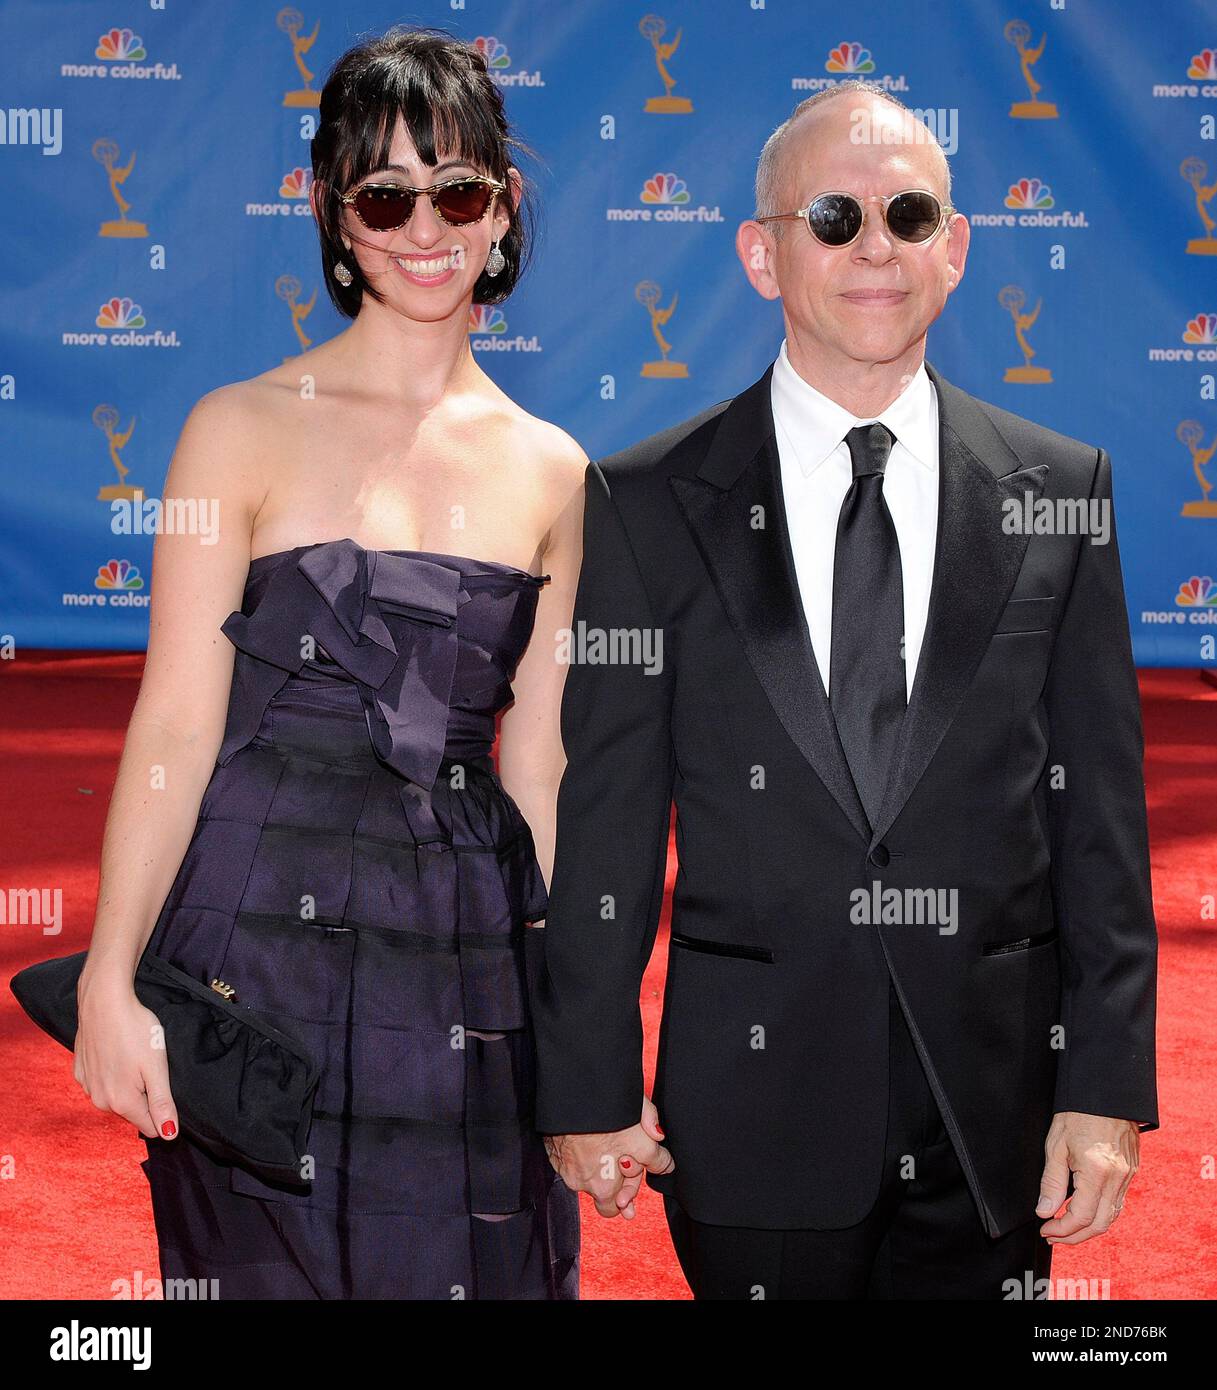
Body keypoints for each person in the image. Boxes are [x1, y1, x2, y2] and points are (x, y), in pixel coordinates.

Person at [532, 81, 1158, 1299]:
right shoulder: (646, 502)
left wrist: (1103, 1084)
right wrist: (587, 1083)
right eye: (830, 216)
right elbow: (607, 820)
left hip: (995, 1118)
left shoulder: (1059, 490)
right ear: (760, 257)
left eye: (909, 214)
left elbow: (1101, 827)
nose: (875, 247)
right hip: (750, 1114)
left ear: (955, 250)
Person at [72, 25, 585, 1300]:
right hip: (252, 946)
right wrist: (107, 970)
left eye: (458, 190)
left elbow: (541, 768)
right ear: (332, 212)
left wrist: (582, 1040)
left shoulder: (558, 472)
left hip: (464, 950)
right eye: (386, 195)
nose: (426, 228)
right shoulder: (233, 430)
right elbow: (176, 727)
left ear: (504, 209)